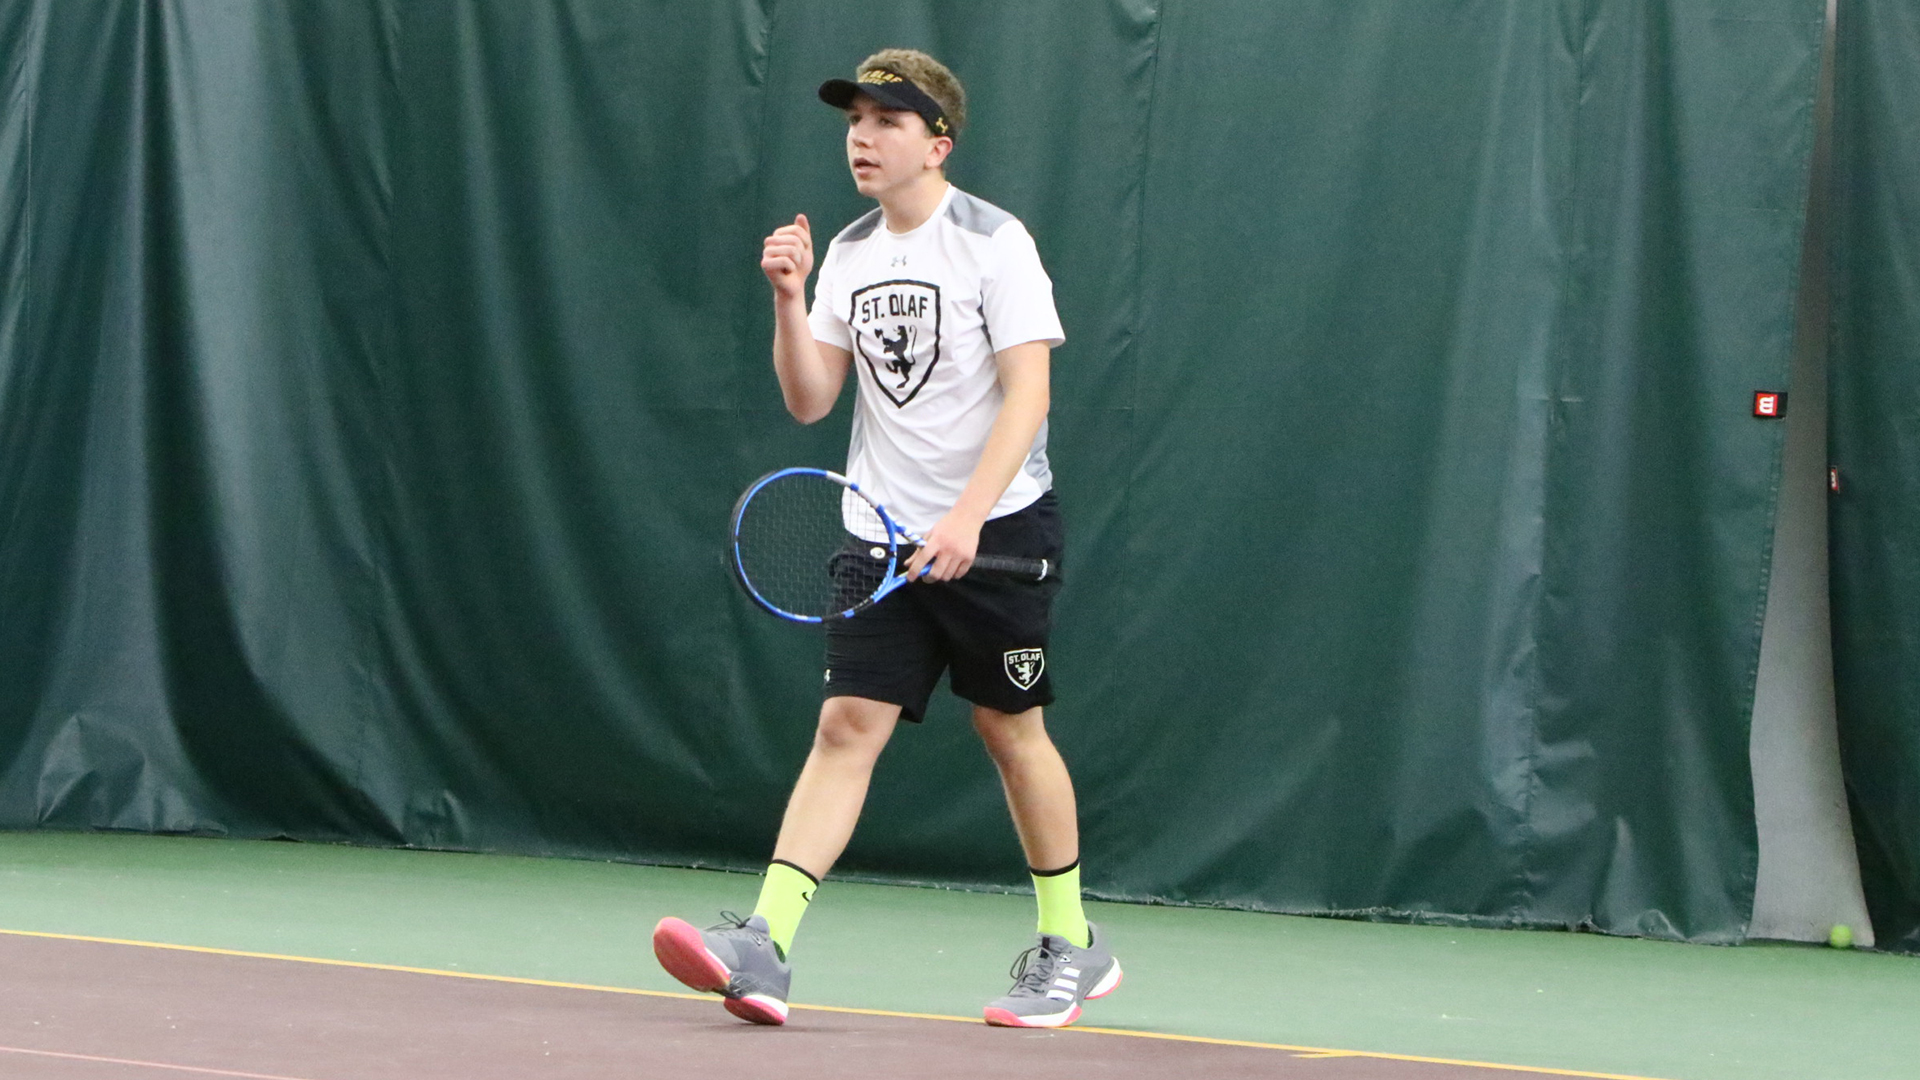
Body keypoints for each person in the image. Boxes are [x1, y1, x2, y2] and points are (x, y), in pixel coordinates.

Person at [652, 48, 1119, 1030]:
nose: (862, 136)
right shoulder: (853, 255)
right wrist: (790, 297)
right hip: (877, 535)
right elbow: (810, 397)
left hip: (996, 532)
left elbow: (1029, 392)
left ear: (936, 142)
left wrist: (964, 515)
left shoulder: (996, 243)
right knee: (845, 726)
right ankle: (764, 945)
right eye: (854, 119)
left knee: (1010, 730)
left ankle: (1069, 941)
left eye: (886, 121)